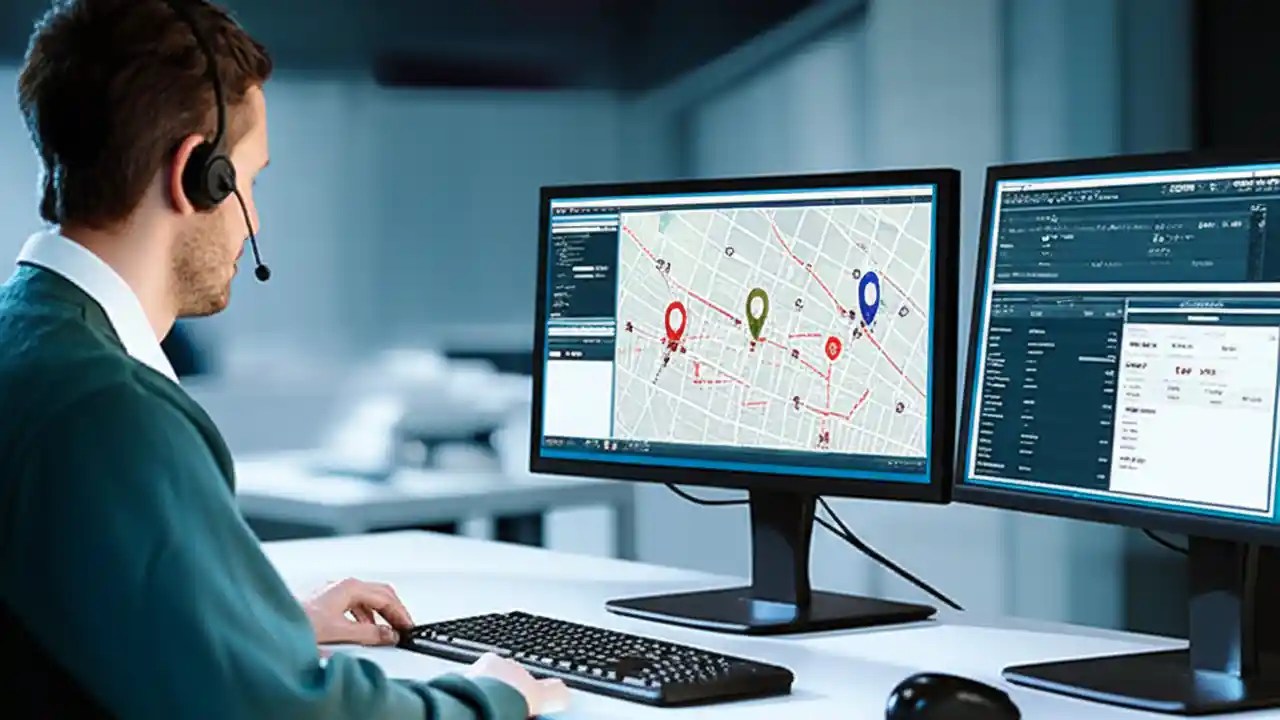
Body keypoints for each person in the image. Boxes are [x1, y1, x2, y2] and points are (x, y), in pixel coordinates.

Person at [0, 1, 568, 718]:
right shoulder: (112, 410)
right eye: (251, 180)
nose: (255, 220)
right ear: (195, 175)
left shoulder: (26, 339)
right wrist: (487, 697)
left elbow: (78, 611)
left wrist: (258, 625)